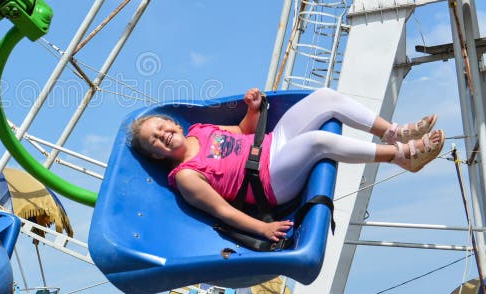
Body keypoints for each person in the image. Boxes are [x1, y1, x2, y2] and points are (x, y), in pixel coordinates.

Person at [130, 87, 445, 243]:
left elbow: (244, 132)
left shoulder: (200, 130)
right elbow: (223, 212)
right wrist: (262, 228)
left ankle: (392, 131)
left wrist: (252, 109)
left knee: (325, 96)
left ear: (173, 123)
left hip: (271, 143)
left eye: (163, 127)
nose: (164, 135)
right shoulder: (186, 176)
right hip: (269, 180)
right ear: (156, 155)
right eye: (155, 140)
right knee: (316, 142)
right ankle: (400, 155)